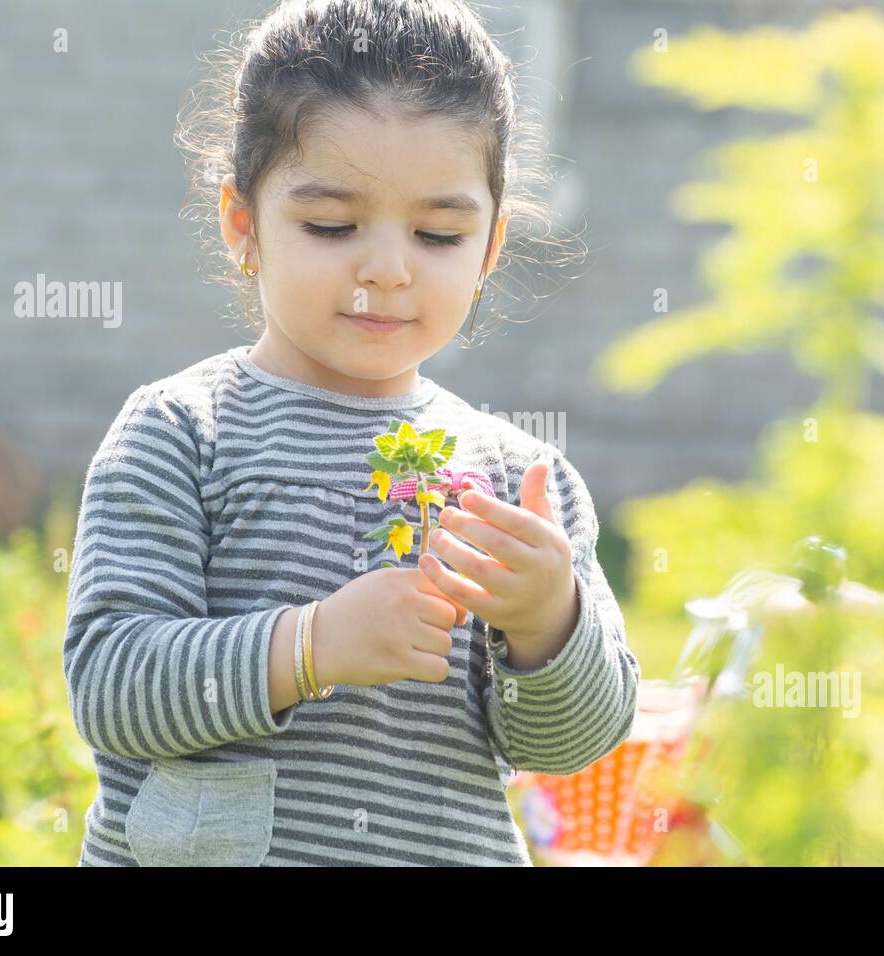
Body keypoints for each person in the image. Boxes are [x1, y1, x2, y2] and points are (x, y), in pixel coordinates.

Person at [62, 0, 640, 866]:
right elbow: (113, 688)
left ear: (490, 249)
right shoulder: (184, 432)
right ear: (242, 224)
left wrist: (546, 620)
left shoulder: (518, 478)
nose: (388, 267)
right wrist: (312, 645)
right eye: (331, 225)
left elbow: (571, 745)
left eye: (438, 234)